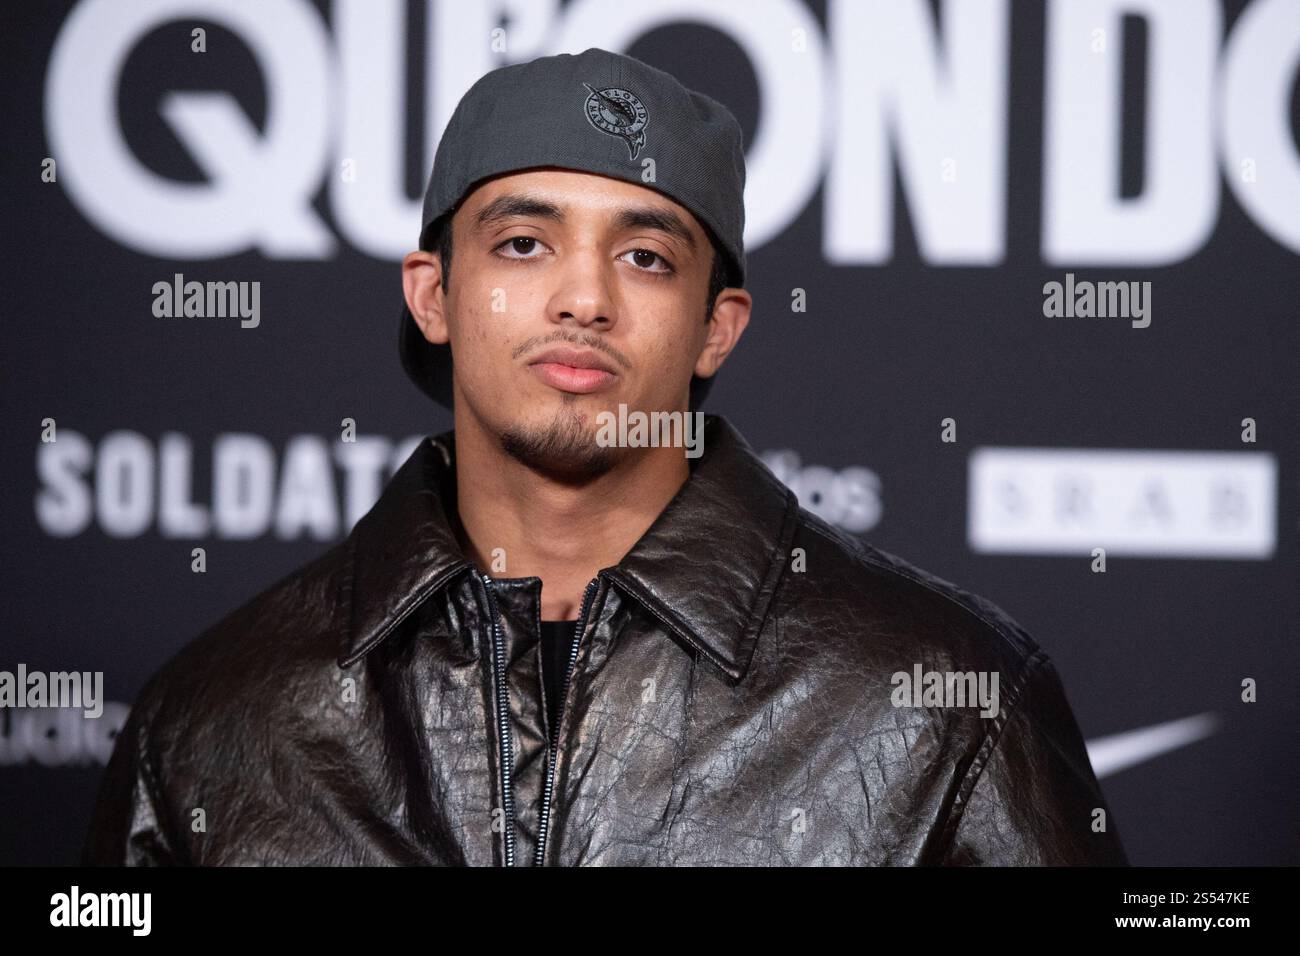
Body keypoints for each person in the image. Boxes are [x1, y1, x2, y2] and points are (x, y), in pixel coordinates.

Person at [83, 47, 1127, 866]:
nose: (584, 300)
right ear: (433, 295)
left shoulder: (944, 702)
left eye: (644, 256)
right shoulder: (218, 718)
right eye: (524, 244)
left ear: (717, 327)